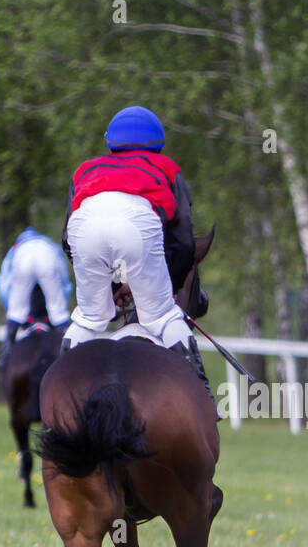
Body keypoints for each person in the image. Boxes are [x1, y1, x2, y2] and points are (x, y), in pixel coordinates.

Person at [59, 105, 212, 400]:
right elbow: (182, 244)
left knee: (89, 319)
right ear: (158, 143)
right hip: (138, 225)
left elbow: (69, 241)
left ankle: (58, 397)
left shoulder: (85, 170)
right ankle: (202, 394)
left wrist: (112, 285)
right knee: (165, 317)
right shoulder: (167, 169)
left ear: (110, 142)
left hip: (84, 226)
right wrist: (167, 286)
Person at [0, 226, 73, 369]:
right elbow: (65, 282)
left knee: (16, 312)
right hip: (48, 259)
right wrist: (61, 306)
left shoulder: (14, 250)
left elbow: (3, 284)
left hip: (23, 260)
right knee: (59, 313)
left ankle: (4, 357)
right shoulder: (50, 245)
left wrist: (13, 310)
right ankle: (72, 354)